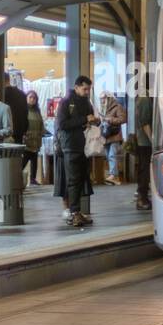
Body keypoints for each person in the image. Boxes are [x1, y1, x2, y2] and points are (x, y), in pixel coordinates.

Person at [56, 75, 100, 227]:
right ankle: (74, 213)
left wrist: (95, 120)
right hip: (71, 146)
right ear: (76, 87)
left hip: (84, 147)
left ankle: (78, 212)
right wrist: (85, 119)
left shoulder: (86, 102)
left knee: (81, 180)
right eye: (85, 89)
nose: (87, 92)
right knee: (74, 180)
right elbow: (62, 124)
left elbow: (89, 118)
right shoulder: (66, 102)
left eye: (89, 89)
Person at [99, 91, 127, 184]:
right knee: (108, 156)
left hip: (115, 136)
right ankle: (114, 177)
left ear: (109, 98)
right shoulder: (103, 109)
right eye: (101, 98)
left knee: (112, 155)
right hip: (106, 136)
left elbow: (123, 119)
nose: (102, 100)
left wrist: (109, 119)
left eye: (103, 98)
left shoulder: (117, 107)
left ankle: (114, 175)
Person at [22, 90, 47, 186]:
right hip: (27, 140)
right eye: (30, 97)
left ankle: (33, 179)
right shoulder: (24, 110)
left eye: (34, 98)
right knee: (24, 161)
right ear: (26, 98)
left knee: (34, 161)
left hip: (36, 140)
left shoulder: (37, 111)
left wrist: (43, 132)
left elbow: (41, 124)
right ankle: (15, 176)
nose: (32, 99)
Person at [134, 90, 153, 211]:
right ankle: (142, 199)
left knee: (144, 169)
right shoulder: (145, 99)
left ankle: (143, 197)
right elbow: (145, 123)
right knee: (145, 170)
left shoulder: (144, 98)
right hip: (144, 142)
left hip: (143, 140)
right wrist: (153, 141)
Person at [3, 78, 29, 147]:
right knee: (17, 156)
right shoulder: (22, 94)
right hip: (19, 132)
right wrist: (25, 130)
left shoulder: (2, 94)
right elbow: (26, 113)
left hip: (5, 133)